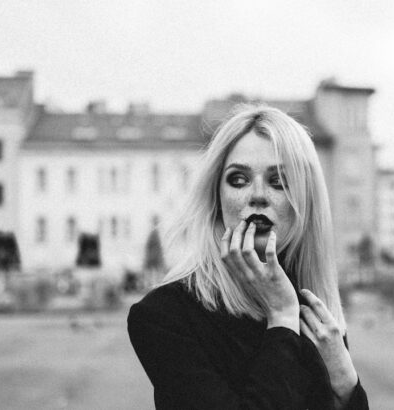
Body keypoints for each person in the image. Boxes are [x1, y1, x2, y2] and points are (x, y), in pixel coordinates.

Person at [128, 105, 369, 409]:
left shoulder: (315, 308)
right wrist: (281, 318)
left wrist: (347, 386)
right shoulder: (165, 316)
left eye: (279, 181)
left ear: (306, 201)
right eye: (238, 179)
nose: (257, 195)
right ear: (216, 198)